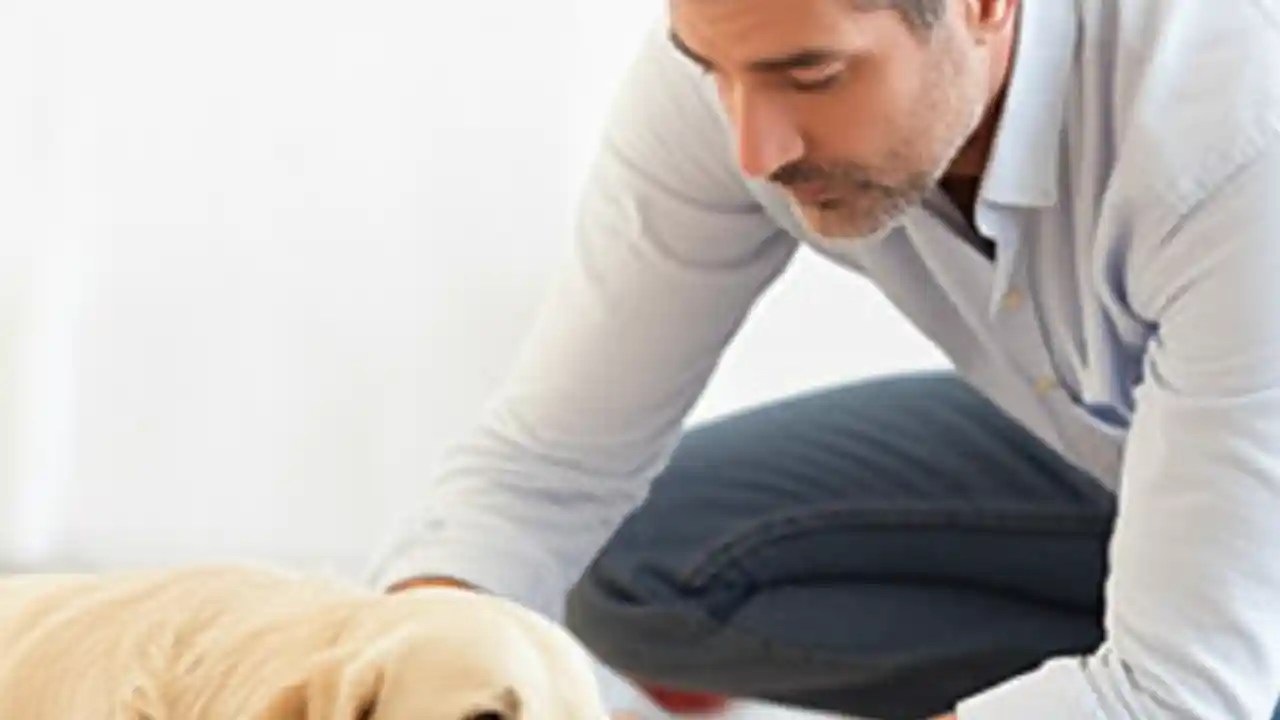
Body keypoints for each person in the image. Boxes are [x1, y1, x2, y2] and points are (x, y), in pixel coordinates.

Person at [368, 0, 1280, 718]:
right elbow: (548, 471)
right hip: (1109, 443)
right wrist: (389, 672)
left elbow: (1178, 697)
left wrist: (1166, 672)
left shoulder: (1235, 140)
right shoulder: (742, 58)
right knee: (640, 563)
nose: (755, 150)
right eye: (713, 73)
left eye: (813, 76)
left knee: (1201, 683)